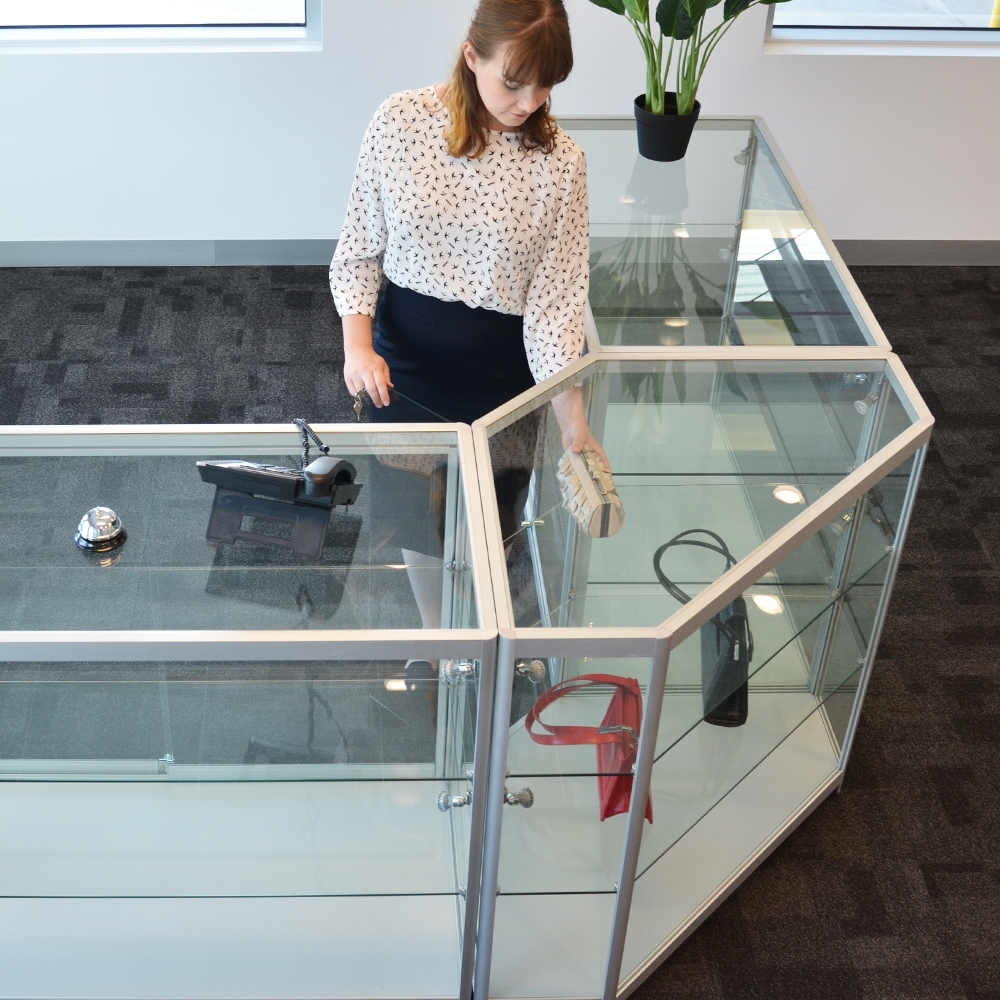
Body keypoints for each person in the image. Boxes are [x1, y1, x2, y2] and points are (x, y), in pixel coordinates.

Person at [328, 0, 607, 641]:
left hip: (502, 379)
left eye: (546, 85)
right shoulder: (400, 122)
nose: (530, 102)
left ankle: (483, 642)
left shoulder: (562, 164)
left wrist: (573, 419)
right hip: (404, 367)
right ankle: (436, 641)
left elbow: (557, 307)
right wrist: (357, 347)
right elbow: (359, 250)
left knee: (488, 523)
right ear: (470, 55)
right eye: (514, 81)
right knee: (416, 525)